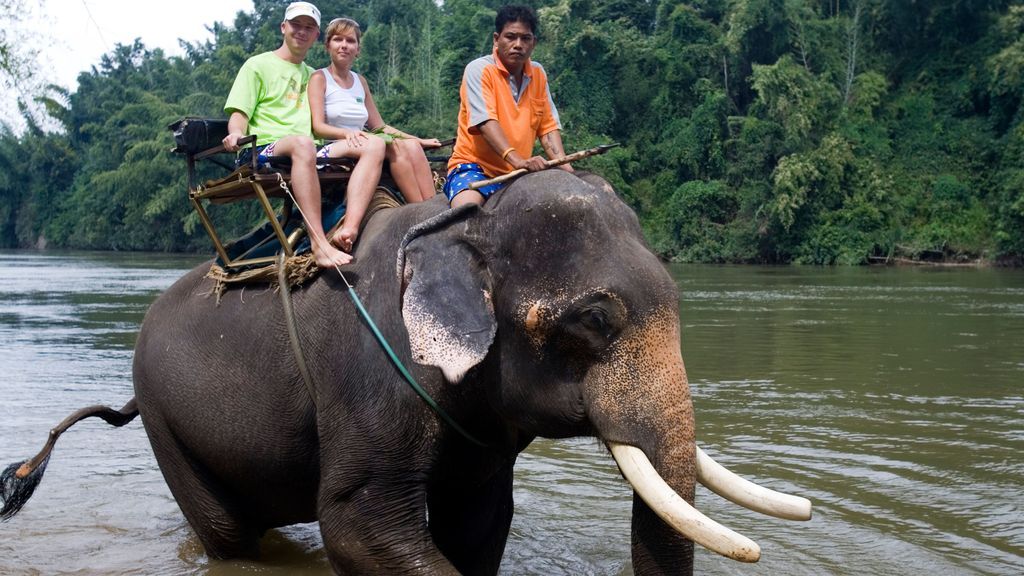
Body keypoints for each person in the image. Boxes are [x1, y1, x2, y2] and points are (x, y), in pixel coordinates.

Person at [221, 2, 370, 268]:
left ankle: (351, 225)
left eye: (309, 28)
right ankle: (318, 243)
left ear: (316, 36)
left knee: (372, 147)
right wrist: (235, 134)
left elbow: (330, 119)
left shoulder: (316, 76)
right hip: (263, 149)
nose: (302, 31)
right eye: (296, 25)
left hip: (310, 153)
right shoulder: (257, 65)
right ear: (283, 28)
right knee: (303, 144)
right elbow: (239, 114)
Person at [444, 4, 573, 208]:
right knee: (466, 211)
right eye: (511, 37)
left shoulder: (538, 74)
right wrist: (518, 160)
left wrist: (567, 169)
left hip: (519, 173)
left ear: (534, 43)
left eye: (525, 38)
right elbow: (486, 122)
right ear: (497, 39)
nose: (518, 44)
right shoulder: (479, 70)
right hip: (475, 168)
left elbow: (547, 129)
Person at [309, 17, 441, 205]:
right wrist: (349, 133)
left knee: (411, 147)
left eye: (350, 41)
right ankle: (417, 208)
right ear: (328, 46)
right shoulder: (319, 78)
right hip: (334, 147)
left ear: (358, 49)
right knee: (394, 148)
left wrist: (418, 140)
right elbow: (318, 127)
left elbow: (379, 126)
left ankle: (431, 206)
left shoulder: (360, 81)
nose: (344, 45)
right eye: (338, 39)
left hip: (365, 142)